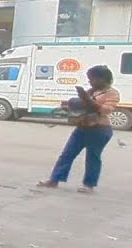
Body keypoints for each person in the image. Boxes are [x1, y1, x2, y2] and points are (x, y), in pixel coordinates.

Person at [39, 65, 121, 193]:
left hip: (99, 130)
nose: (90, 82)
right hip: (82, 128)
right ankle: (54, 179)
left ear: (102, 79)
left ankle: (89, 185)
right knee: (67, 154)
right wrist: (70, 107)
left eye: (92, 79)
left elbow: (104, 110)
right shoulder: (91, 91)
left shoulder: (112, 93)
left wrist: (86, 99)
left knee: (92, 157)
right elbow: (82, 108)